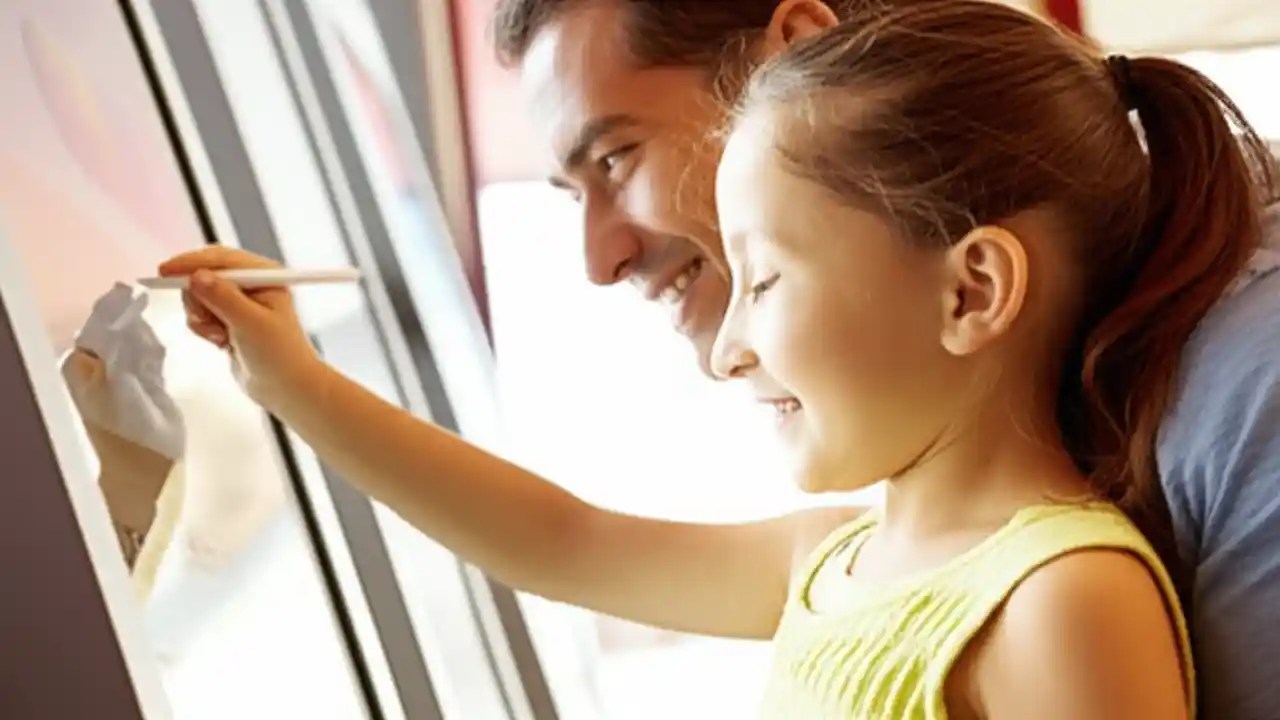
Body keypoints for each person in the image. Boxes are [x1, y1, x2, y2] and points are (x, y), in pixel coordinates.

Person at [159, 1, 1280, 715]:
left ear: (970, 290)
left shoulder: (1064, 601)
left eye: (768, 281)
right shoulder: (835, 561)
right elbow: (560, 541)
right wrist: (295, 384)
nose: (728, 350)